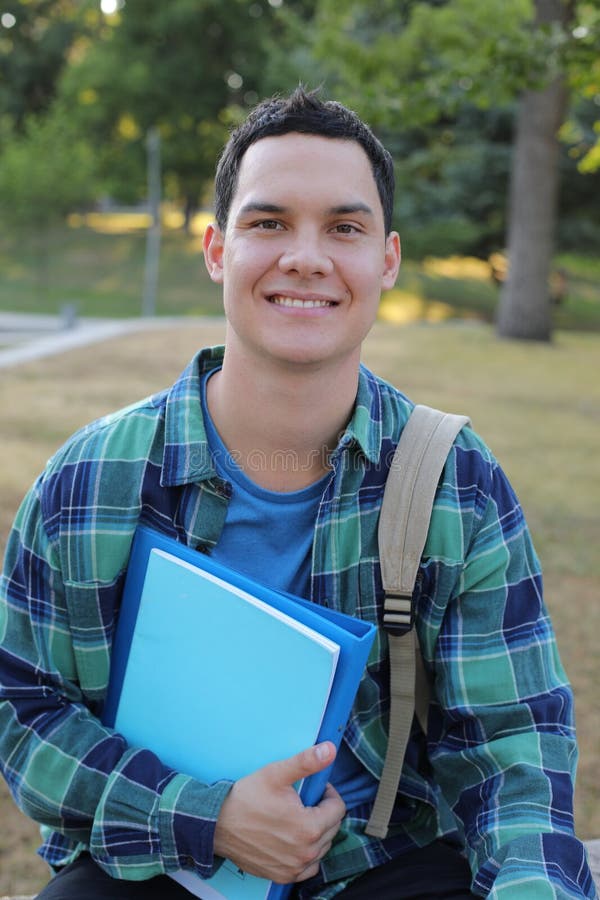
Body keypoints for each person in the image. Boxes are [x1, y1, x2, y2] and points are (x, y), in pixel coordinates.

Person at [0, 87, 596, 900]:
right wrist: (204, 815)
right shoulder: (87, 482)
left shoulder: (454, 480)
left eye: (344, 228)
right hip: (159, 869)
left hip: (387, 870)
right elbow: (23, 709)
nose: (306, 257)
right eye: (269, 222)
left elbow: (514, 746)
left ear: (386, 258)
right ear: (217, 250)